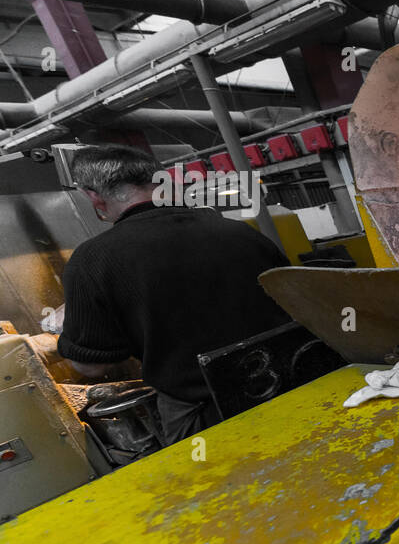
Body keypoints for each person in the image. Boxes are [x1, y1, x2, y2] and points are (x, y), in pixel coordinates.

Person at [58, 144, 292, 445]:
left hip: (204, 414)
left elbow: (89, 365)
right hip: (290, 381)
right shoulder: (240, 233)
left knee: (228, 486)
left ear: (93, 195)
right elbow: (296, 303)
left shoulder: (92, 260)